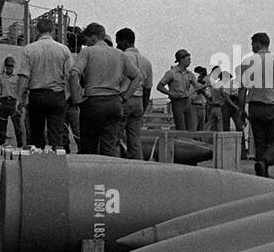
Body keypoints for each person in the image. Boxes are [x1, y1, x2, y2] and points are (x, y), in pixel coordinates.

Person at [70, 22, 139, 156]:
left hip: (93, 103)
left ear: (93, 37)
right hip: (114, 103)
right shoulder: (119, 54)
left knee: (88, 147)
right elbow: (137, 77)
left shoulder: (87, 52)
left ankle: (90, 175)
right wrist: (125, 97)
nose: (86, 43)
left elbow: (73, 74)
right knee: (109, 147)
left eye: (87, 40)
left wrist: (75, 99)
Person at [236, 32, 274, 177]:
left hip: (254, 107)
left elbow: (242, 90)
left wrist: (241, 110)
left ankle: (262, 173)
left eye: (252, 44)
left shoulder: (247, 63)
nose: (251, 47)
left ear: (258, 43)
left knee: (259, 141)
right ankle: (265, 162)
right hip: (272, 107)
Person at [17, 18, 73, 150]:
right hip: (57, 96)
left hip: (36, 96)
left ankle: (37, 165)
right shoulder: (64, 50)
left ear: (37, 30)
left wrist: (19, 99)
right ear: (52, 30)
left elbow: (24, 76)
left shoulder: (29, 49)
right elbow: (70, 75)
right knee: (57, 135)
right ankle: (56, 164)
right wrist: (70, 96)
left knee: (36, 135)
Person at [115, 28, 153, 160]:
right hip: (139, 101)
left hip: (124, 98)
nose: (117, 45)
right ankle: (138, 165)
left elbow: (116, 80)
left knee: (115, 137)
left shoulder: (121, 57)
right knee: (135, 140)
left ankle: (115, 165)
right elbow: (148, 87)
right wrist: (143, 105)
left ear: (124, 41)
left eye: (118, 42)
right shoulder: (146, 61)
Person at [156, 50, 198, 130]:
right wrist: (170, 93)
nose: (190, 62)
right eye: (188, 60)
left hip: (187, 101)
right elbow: (159, 86)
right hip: (177, 102)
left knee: (190, 128)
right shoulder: (171, 73)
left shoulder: (190, 74)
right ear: (181, 60)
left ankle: (188, 141)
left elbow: (197, 86)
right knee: (180, 127)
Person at [0, 56, 25, 147]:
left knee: (17, 126)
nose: (9, 68)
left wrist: (20, 104)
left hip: (13, 103)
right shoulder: (2, 77)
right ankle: (1, 144)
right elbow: (1, 92)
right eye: (8, 66)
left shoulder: (17, 78)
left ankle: (20, 145)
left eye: (11, 66)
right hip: (4, 103)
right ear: (5, 66)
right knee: (2, 126)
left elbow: (21, 91)